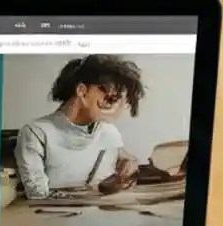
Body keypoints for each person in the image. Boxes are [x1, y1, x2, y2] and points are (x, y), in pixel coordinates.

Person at [15, 55, 146, 199]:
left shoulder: (109, 133)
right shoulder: (36, 133)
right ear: (82, 91)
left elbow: (118, 169)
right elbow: (37, 194)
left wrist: (128, 167)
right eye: (110, 99)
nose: (117, 109)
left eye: (123, 103)